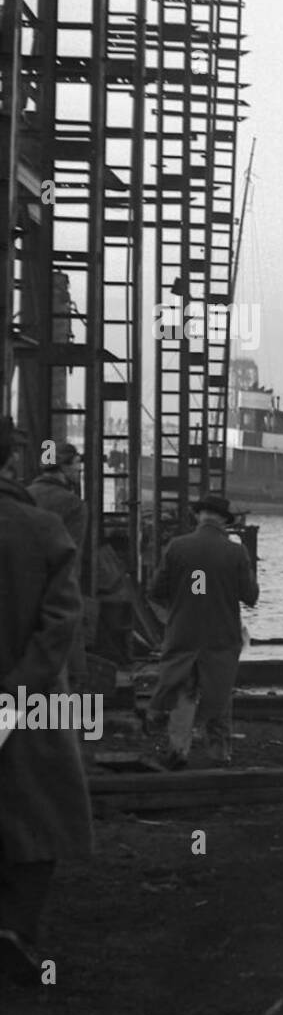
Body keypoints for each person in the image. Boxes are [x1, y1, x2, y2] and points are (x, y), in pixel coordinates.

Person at [0, 416, 93, 984]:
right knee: (41, 815)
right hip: (29, 703)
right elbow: (61, 622)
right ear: (10, 459)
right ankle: (14, 928)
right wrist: (14, 693)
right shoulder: (44, 530)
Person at [148, 493, 259, 769]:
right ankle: (219, 752)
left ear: (199, 516)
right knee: (219, 690)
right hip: (221, 634)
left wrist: (181, 603)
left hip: (183, 631)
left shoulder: (177, 547)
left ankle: (178, 750)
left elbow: (156, 590)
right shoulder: (235, 552)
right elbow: (250, 595)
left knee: (182, 689)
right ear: (223, 520)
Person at [27, 441, 88, 683]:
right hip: (56, 595)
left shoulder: (24, 495)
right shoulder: (73, 505)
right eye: (76, 465)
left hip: (18, 591)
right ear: (63, 467)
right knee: (64, 670)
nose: (79, 470)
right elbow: (71, 559)